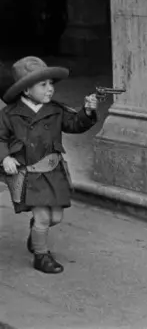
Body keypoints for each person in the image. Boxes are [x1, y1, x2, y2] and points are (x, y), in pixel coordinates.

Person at [0, 56, 98, 274]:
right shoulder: (9, 115)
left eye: (51, 83)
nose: (50, 89)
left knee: (55, 217)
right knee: (44, 217)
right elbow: (0, 139)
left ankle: (36, 231)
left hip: (53, 172)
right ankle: (41, 256)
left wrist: (87, 112)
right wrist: (5, 157)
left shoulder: (55, 110)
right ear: (26, 90)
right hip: (29, 174)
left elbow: (74, 124)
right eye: (43, 85)